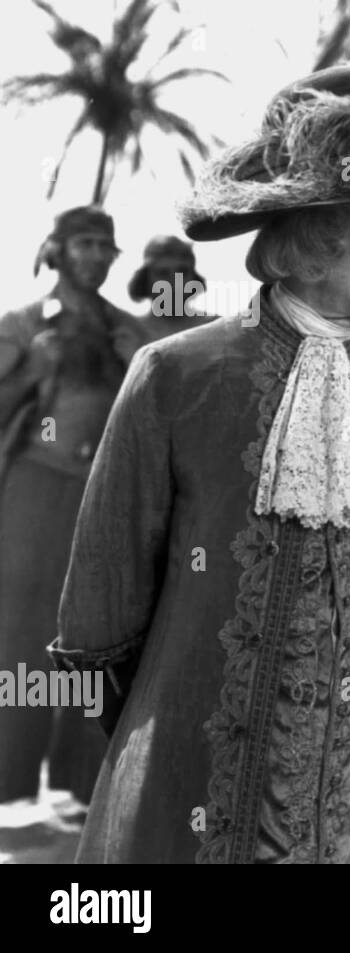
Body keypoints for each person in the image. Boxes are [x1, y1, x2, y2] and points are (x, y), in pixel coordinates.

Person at [49, 65, 350, 863]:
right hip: (198, 788)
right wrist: (186, 726)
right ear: (312, 234)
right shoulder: (175, 376)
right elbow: (102, 614)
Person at [0, 206, 147, 812]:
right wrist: (32, 363)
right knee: (20, 635)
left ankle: (80, 785)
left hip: (103, 497)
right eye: (83, 244)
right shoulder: (22, 324)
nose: (94, 256)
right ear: (55, 251)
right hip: (37, 488)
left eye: (104, 247)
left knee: (96, 632)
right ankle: (7, 783)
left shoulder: (126, 330)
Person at [129, 234, 216, 340]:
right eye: (163, 273)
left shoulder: (214, 329)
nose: (175, 282)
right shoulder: (128, 333)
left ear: (193, 277)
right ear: (145, 280)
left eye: (182, 272)